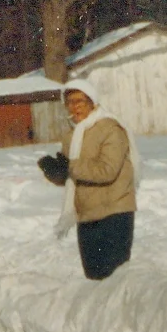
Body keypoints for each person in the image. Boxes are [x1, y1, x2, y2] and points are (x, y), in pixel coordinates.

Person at [38, 77, 137, 281]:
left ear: (92, 102)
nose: (74, 107)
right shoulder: (72, 135)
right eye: (70, 102)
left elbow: (107, 170)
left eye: (80, 101)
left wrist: (70, 166)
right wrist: (56, 173)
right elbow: (74, 176)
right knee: (93, 279)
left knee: (114, 280)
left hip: (114, 213)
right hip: (86, 215)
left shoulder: (110, 128)